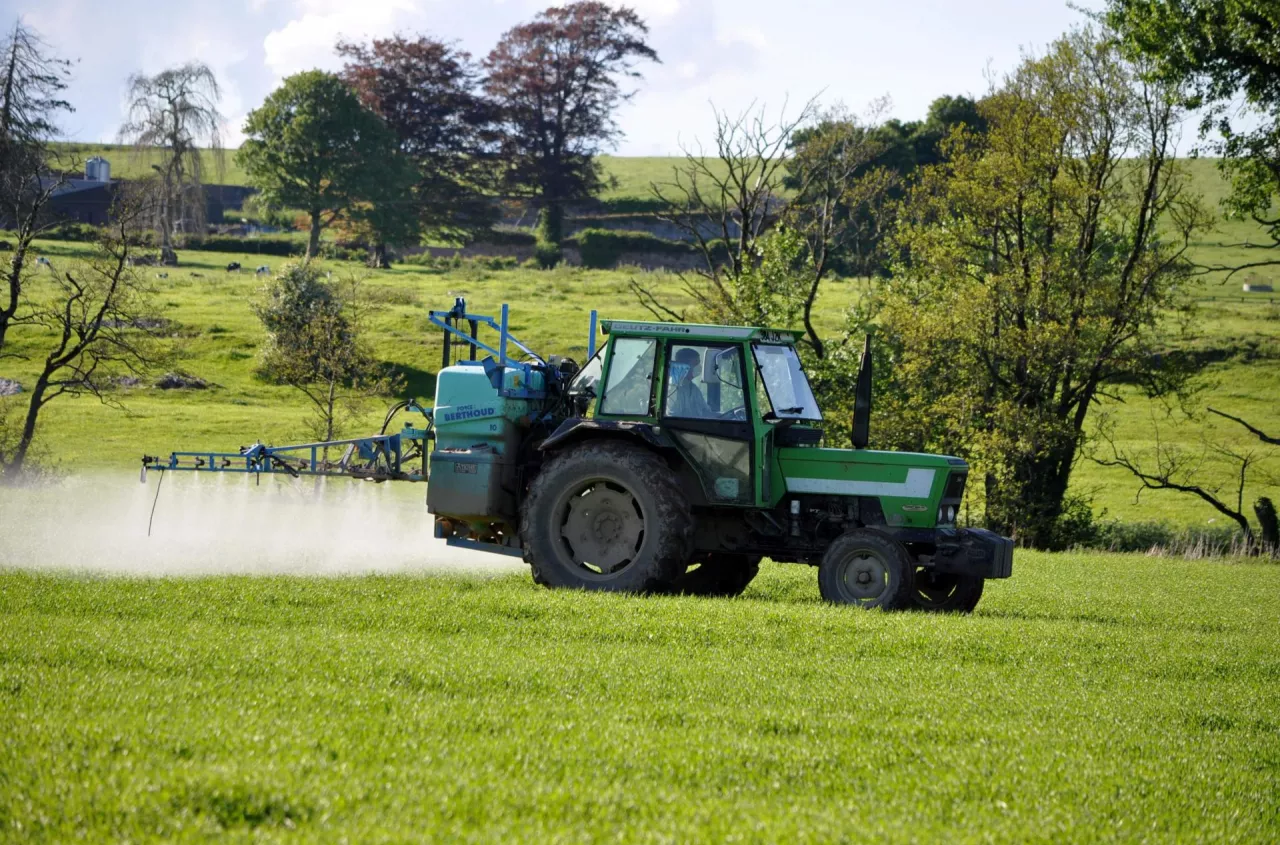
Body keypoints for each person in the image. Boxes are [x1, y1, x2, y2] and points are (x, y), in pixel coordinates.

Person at [667, 347, 714, 418]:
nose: (699, 367)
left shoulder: (693, 388)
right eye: (696, 364)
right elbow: (673, 417)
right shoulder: (672, 389)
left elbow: (706, 411)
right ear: (685, 366)